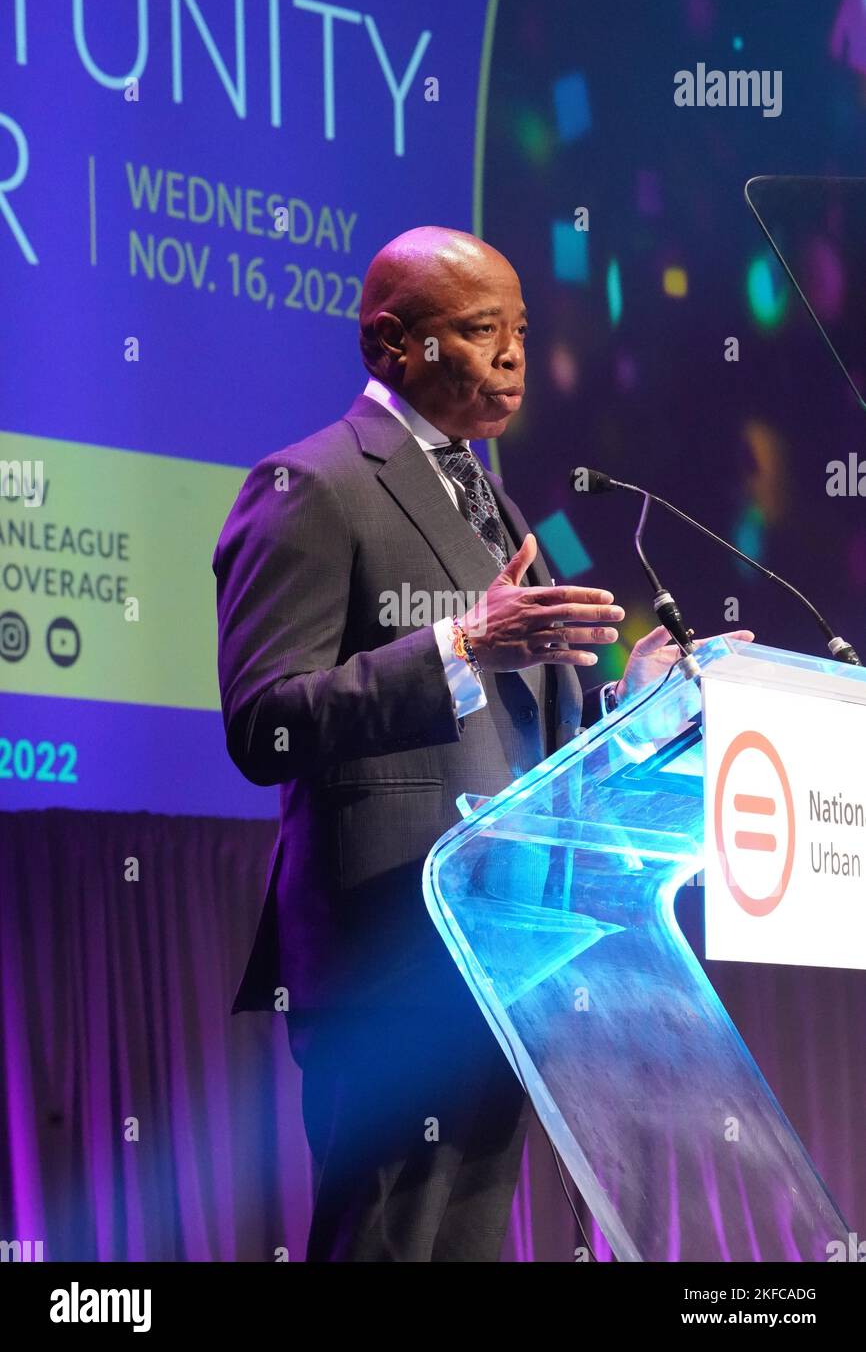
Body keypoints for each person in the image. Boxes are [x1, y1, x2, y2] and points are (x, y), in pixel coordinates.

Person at [212, 226, 751, 1261]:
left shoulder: (491, 498)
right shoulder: (313, 487)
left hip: (505, 947)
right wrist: (458, 641)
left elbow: (521, 735)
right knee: (386, 1244)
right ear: (388, 344)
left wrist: (633, 708)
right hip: (392, 954)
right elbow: (262, 719)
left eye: (517, 330)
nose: (509, 354)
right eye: (476, 330)